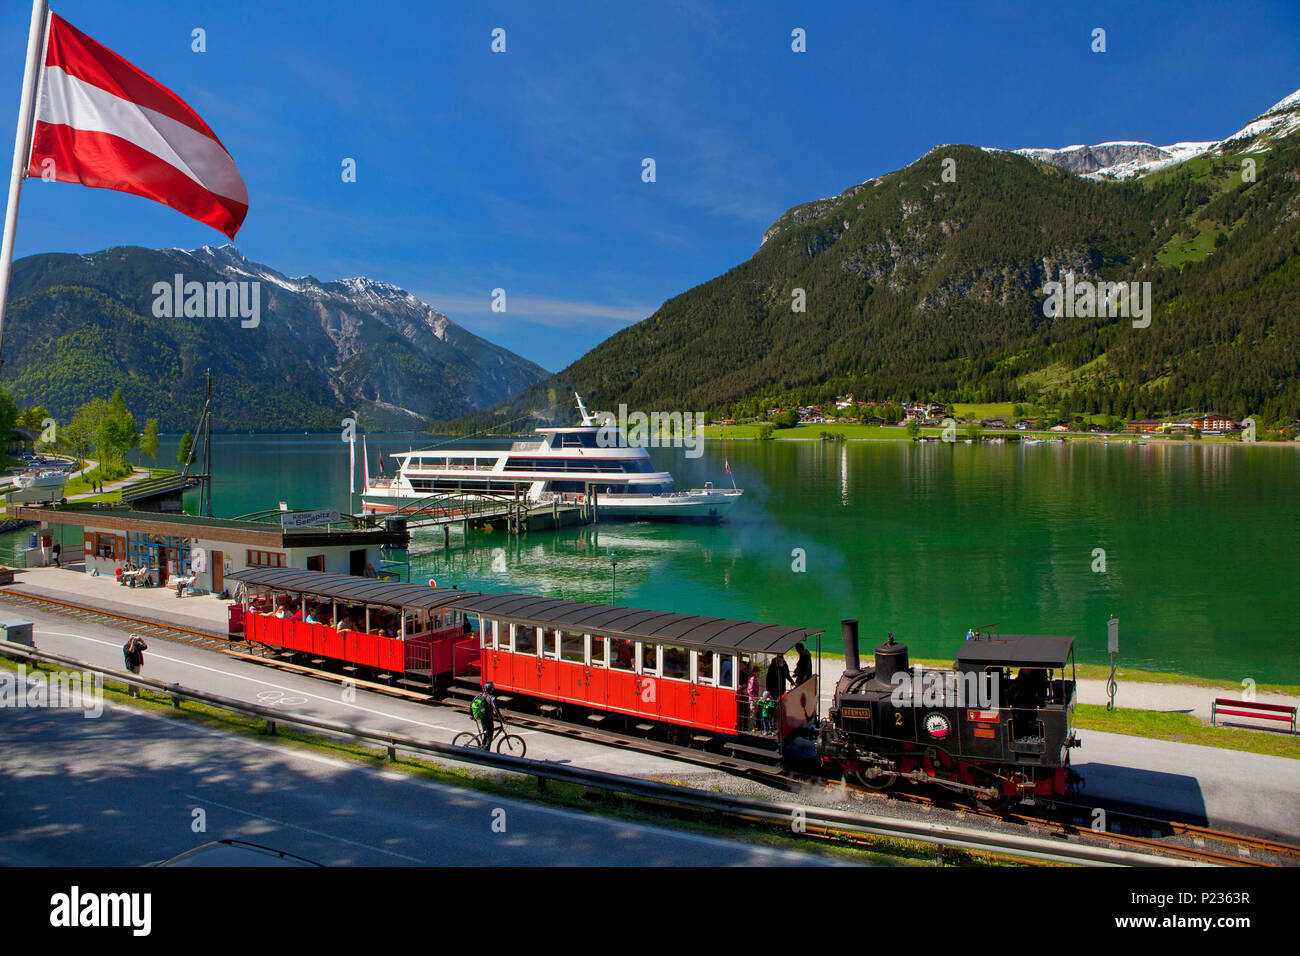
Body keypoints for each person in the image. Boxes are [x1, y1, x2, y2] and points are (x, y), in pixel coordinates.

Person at [471, 682, 502, 750]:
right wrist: (501, 719)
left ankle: (483, 747)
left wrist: (472, 715)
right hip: (488, 718)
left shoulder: (480, 695)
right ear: (491, 689)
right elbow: (495, 708)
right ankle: (486, 750)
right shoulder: (491, 698)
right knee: (490, 735)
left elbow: (472, 703)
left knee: (486, 733)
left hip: (482, 717)